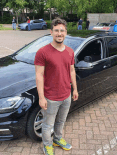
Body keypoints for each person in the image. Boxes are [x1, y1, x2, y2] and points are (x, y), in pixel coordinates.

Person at [34, 17, 78, 155]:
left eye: (62, 31)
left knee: (61, 122)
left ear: (66, 33)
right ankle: (47, 145)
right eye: (57, 30)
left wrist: (75, 89)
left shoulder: (70, 51)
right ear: (51, 32)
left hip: (66, 95)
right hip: (51, 97)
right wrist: (41, 97)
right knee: (48, 125)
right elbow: (39, 75)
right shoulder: (42, 52)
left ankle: (57, 139)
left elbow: (71, 70)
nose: (59, 33)